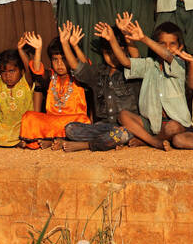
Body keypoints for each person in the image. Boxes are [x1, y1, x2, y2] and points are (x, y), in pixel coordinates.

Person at [53, 20, 136, 152]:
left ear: (124, 50)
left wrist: (126, 34)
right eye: (107, 53)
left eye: (116, 52)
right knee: (70, 129)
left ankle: (86, 145)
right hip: (102, 127)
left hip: (126, 127)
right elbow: (78, 68)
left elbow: (136, 57)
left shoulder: (131, 71)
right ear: (102, 53)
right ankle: (107, 142)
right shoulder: (98, 72)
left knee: (122, 133)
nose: (112, 57)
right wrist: (65, 44)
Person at [116, 18, 193, 149]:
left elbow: (168, 56)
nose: (167, 48)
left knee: (172, 128)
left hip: (175, 123)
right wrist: (121, 35)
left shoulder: (180, 64)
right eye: (162, 44)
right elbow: (126, 62)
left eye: (172, 44)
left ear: (180, 47)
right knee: (123, 116)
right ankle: (153, 141)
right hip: (152, 123)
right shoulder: (150, 64)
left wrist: (143, 38)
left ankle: (149, 140)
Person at [18, 27, 91, 147]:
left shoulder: (78, 77)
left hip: (73, 122)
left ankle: (51, 140)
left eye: (64, 59)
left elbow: (86, 67)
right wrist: (38, 50)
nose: (59, 64)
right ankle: (53, 140)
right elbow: (37, 70)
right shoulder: (51, 76)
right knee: (29, 117)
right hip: (51, 121)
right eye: (55, 60)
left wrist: (74, 46)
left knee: (82, 121)